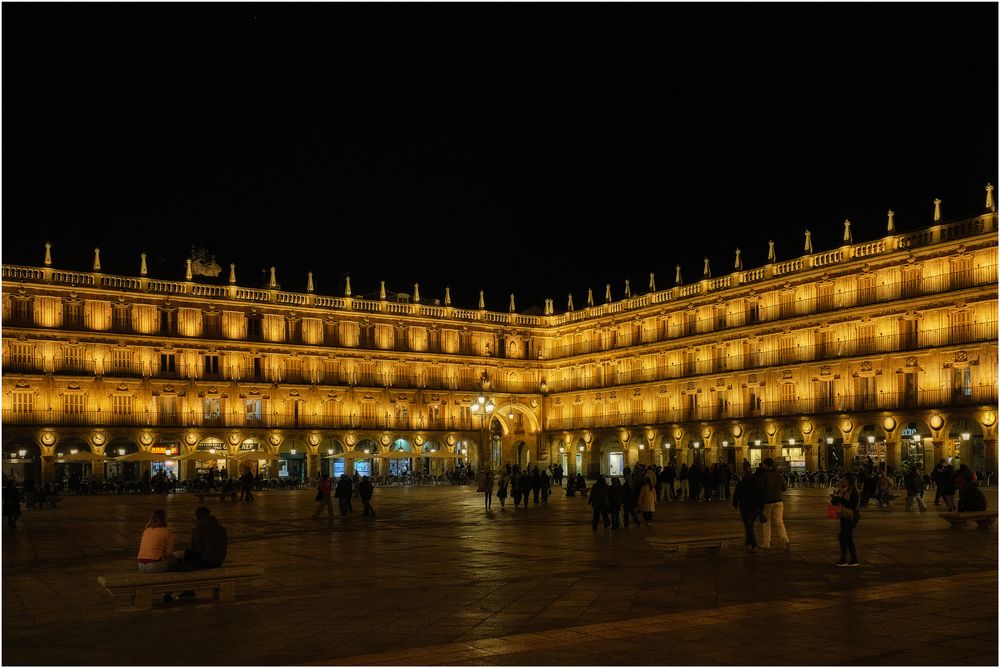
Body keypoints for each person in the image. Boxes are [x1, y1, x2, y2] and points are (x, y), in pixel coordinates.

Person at [754, 457, 790, 551]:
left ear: (765, 465)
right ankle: (785, 540)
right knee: (779, 522)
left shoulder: (763, 475)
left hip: (767, 502)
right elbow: (785, 487)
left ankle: (766, 542)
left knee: (766, 522)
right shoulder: (778, 474)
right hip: (779, 501)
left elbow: (759, 488)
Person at [830, 473, 860, 566]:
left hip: (851, 517)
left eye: (844, 479)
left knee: (842, 537)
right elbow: (836, 502)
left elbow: (852, 505)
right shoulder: (844, 490)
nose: (842, 481)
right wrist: (834, 499)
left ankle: (844, 559)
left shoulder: (854, 492)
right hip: (843, 516)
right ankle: (854, 559)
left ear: (850, 481)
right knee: (848, 538)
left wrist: (840, 499)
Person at [732, 469, 763, 552]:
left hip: (745, 507)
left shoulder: (740, 484)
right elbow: (760, 496)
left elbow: (736, 495)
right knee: (750, 525)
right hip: (755, 507)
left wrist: (735, 504)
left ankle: (753, 544)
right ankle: (748, 542)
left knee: (749, 527)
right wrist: (761, 507)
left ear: (744, 475)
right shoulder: (756, 484)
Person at [137, 509, 176, 573]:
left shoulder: (146, 530)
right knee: (174, 559)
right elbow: (169, 553)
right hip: (154, 566)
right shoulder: (167, 532)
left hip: (140, 566)